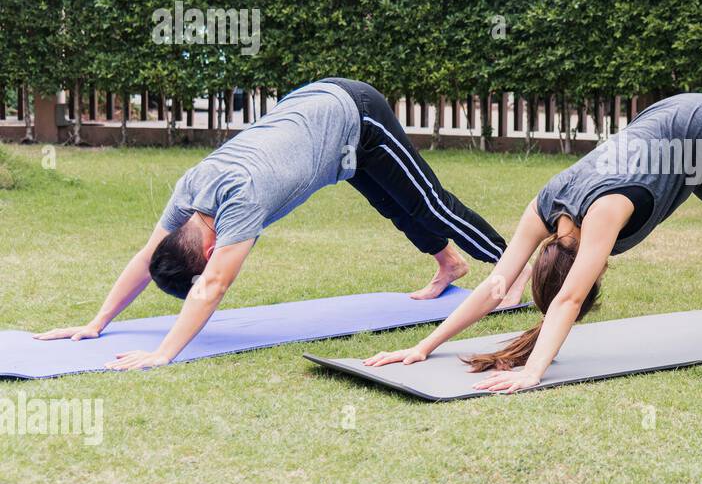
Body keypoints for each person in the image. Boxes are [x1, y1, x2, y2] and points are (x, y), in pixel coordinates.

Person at [363, 92, 702, 390]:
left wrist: (532, 371)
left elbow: (569, 296)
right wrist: (424, 346)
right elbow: (498, 285)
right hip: (669, 135)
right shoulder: (545, 207)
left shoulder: (603, 212)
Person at [35, 78, 524, 369]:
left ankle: (513, 266)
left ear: (205, 256)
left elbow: (212, 289)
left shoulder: (240, 199)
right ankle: (449, 265)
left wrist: (164, 353)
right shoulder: (189, 191)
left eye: (204, 270)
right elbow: (148, 257)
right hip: (323, 132)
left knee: (430, 203)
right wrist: (97, 322)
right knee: (396, 207)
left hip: (354, 112)